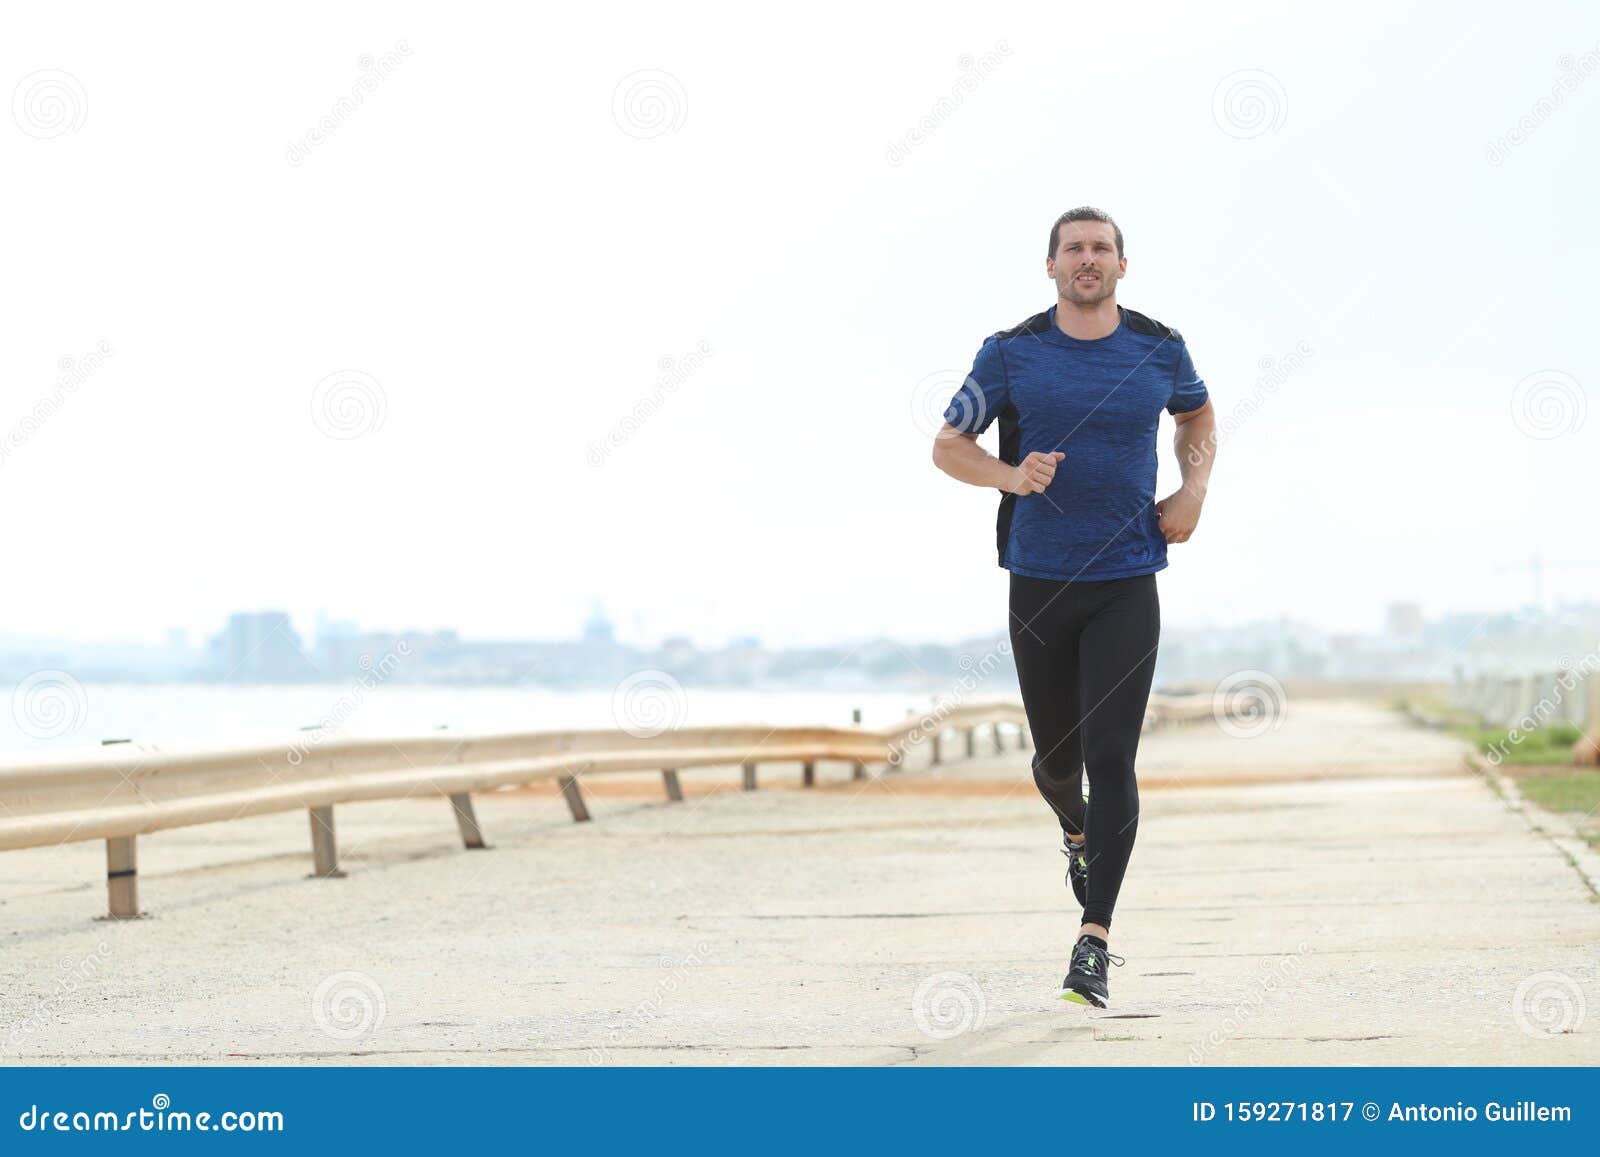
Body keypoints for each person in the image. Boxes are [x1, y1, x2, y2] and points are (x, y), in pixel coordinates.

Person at [930, 206, 1216, 1007]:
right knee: (1055, 764)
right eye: (1073, 249)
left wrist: (1192, 488)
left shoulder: (1160, 347)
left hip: (1128, 579)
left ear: (1123, 264)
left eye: (1100, 248)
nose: (1086, 259)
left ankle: (1093, 940)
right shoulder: (1012, 353)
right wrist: (1010, 474)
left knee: (1111, 757)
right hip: (1040, 581)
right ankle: (1077, 830)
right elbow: (948, 445)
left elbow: (1196, 412)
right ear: (1050, 266)